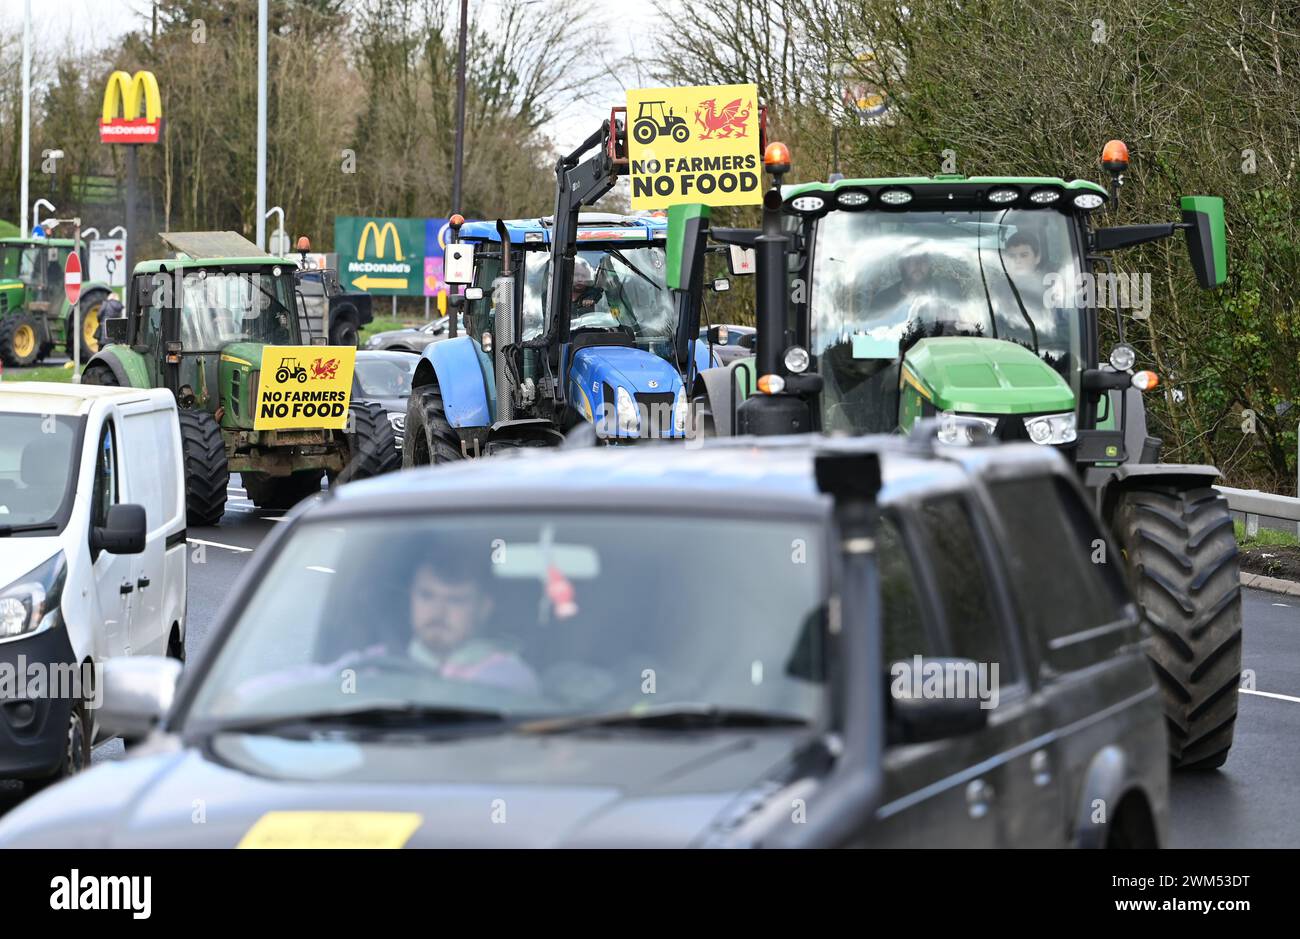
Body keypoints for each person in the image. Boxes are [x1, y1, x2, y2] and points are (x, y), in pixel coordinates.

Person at [404, 556, 541, 694]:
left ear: (483, 608)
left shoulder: (509, 680)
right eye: (426, 596)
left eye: (455, 600)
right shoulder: (384, 664)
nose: (437, 612)